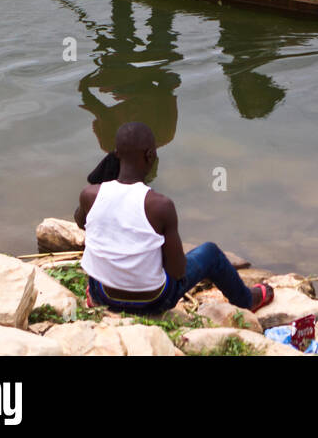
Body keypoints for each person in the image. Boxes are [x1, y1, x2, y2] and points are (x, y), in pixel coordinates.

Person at [74, 122, 274, 315]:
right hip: (153, 301)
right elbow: (178, 271)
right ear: (150, 155)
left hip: (104, 295)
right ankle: (247, 300)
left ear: (116, 153)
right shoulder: (160, 205)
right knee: (210, 253)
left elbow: (81, 222)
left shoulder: (90, 195)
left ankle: (94, 297)